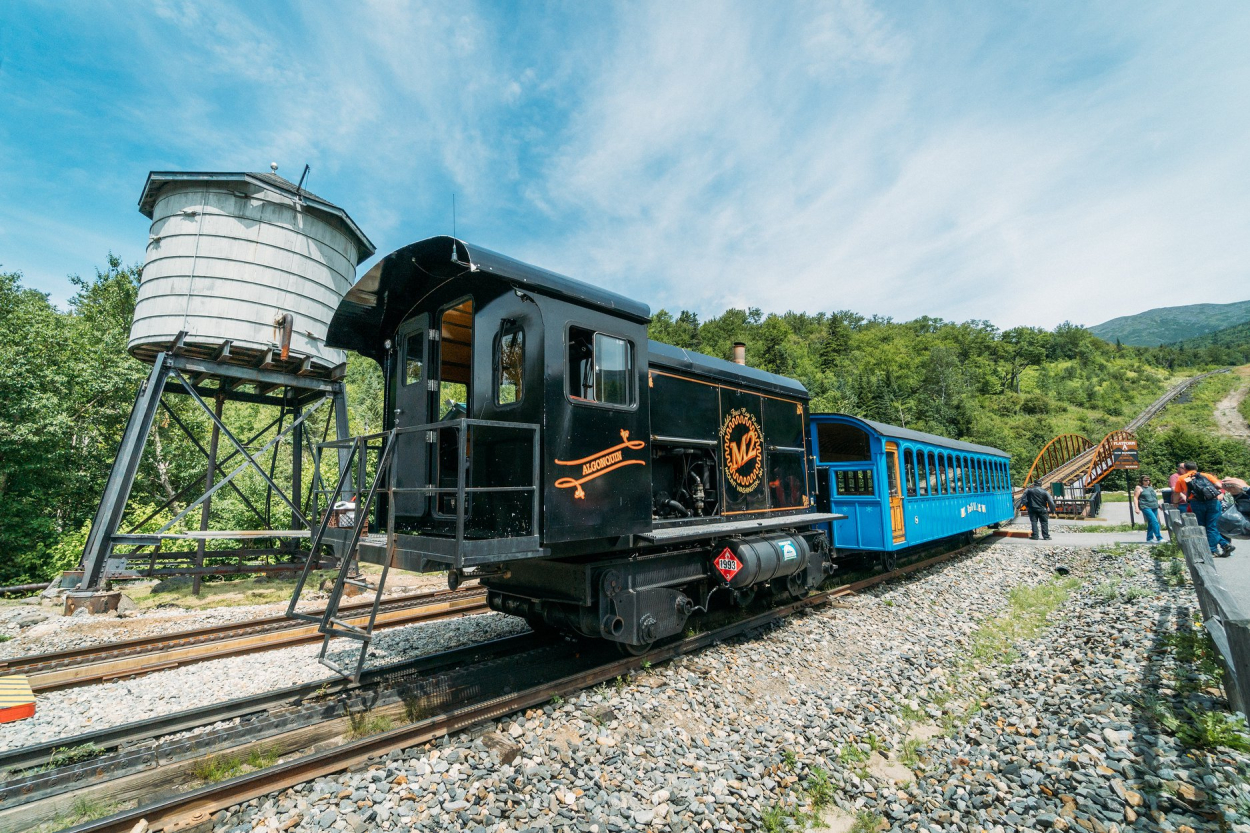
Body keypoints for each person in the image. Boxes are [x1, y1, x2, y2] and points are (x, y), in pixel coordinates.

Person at [1176, 461, 1233, 557]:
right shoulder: (1206, 475)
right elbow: (1219, 486)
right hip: (1212, 501)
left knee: (1202, 526)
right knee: (1212, 526)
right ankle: (1222, 545)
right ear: (1196, 468)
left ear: (1185, 469)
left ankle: (1212, 550)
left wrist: (1175, 503)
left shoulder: (1182, 478)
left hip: (1196, 502)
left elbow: (1177, 492)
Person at [1133, 475, 1163, 543]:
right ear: (1141, 481)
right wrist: (1136, 508)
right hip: (1145, 506)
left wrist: (1158, 505)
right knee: (1155, 521)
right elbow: (1135, 498)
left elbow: (1154, 497)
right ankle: (1159, 538)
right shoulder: (1139, 488)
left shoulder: (1150, 488)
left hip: (1154, 506)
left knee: (1151, 522)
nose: (1147, 481)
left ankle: (1149, 538)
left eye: (1148, 480)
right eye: (1145, 480)